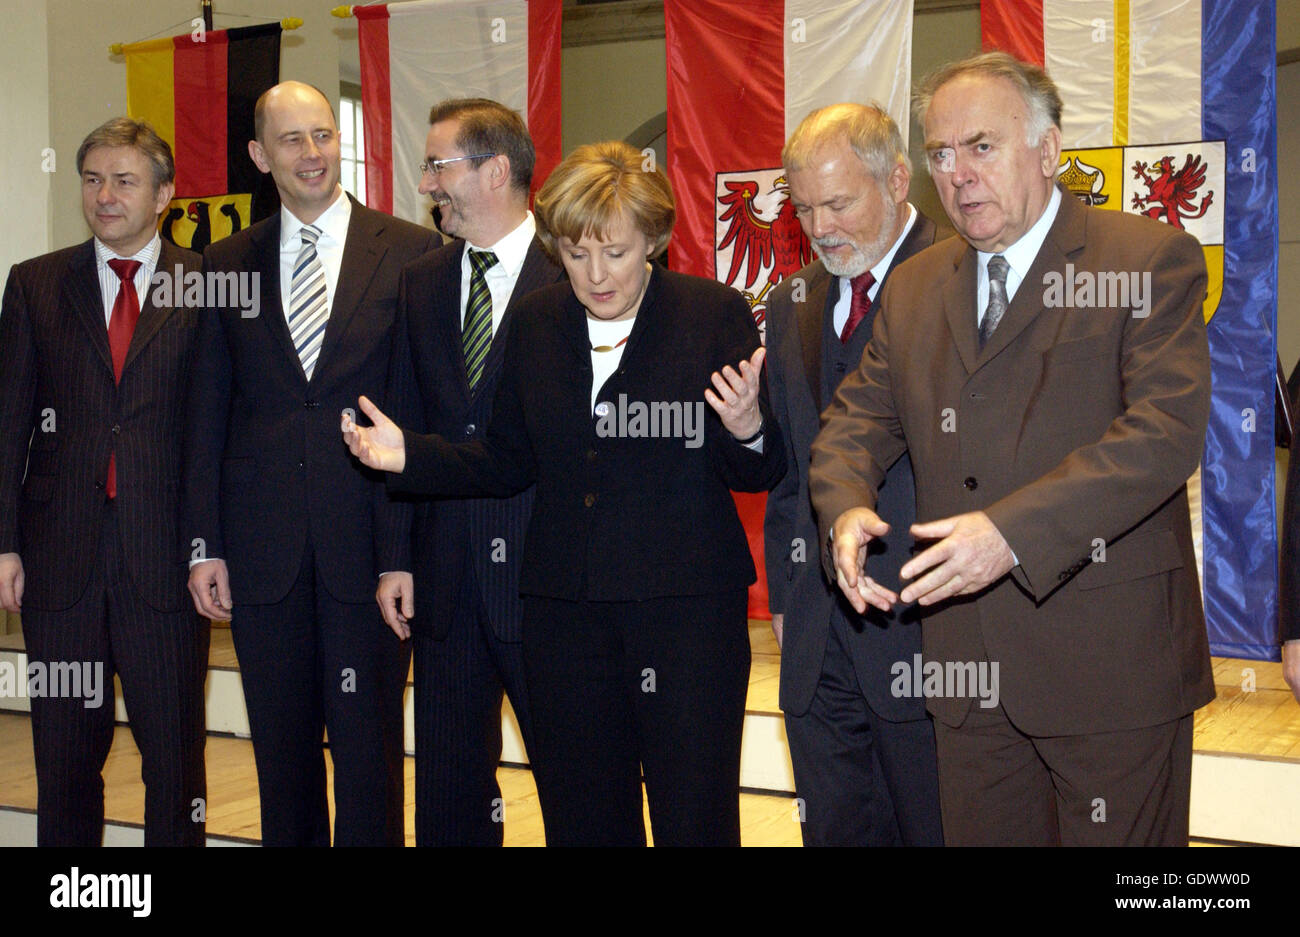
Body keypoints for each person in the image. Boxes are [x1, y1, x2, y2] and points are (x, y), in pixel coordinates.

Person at [810, 51, 1214, 846]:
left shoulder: (1143, 259)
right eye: (940, 154)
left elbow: (1163, 435)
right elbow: (856, 420)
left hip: (1112, 673)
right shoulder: (918, 286)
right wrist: (846, 505)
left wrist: (1009, 535)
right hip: (968, 678)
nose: (957, 173)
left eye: (982, 147)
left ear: (1049, 148)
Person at [345, 140, 786, 846]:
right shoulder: (539, 321)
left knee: (694, 814)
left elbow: (755, 471)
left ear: (654, 239)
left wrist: (748, 426)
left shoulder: (711, 314)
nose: (595, 273)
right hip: (565, 619)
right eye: (576, 254)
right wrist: (410, 456)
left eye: (613, 252)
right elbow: (505, 461)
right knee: (583, 818)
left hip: (685, 620)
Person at [183, 81, 435, 846]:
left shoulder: (414, 253)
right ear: (260, 155)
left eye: (323, 134)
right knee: (281, 763)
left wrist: (401, 555)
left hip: (368, 555)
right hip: (263, 560)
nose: (313, 152)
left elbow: (415, 413)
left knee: (370, 763)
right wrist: (207, 544)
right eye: (292, 139)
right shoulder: (224, 262)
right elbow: (207, 416)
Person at [0, 118, 207, 845]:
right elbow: (7, 425)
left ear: (165, 195)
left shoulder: (208, 286)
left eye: (124, 180)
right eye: (92, 179)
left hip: (167, 562)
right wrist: (4, 544)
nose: (105, 195)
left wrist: (213, 546)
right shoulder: (34, 284)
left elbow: (221, 436)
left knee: (175, 765)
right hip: (60, 564)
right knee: (62, 760)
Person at [379, 98, 563, 846]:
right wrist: (396, 556)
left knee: (576, 778)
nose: (427, 183)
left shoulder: (573, 273)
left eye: (438, 166)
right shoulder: (420, 282)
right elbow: (398, 428)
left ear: (494, 171)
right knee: (451, 793)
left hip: (548, 577)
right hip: (445, 577)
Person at [763, 103, 943, 846]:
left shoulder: (960, 282)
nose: (821, 226)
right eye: (805, 208)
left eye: (839, 202)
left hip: (927, 637)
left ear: (897, 179)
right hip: (815, 641)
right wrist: (784, 595)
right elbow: (788, 474)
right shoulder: (790, 302)